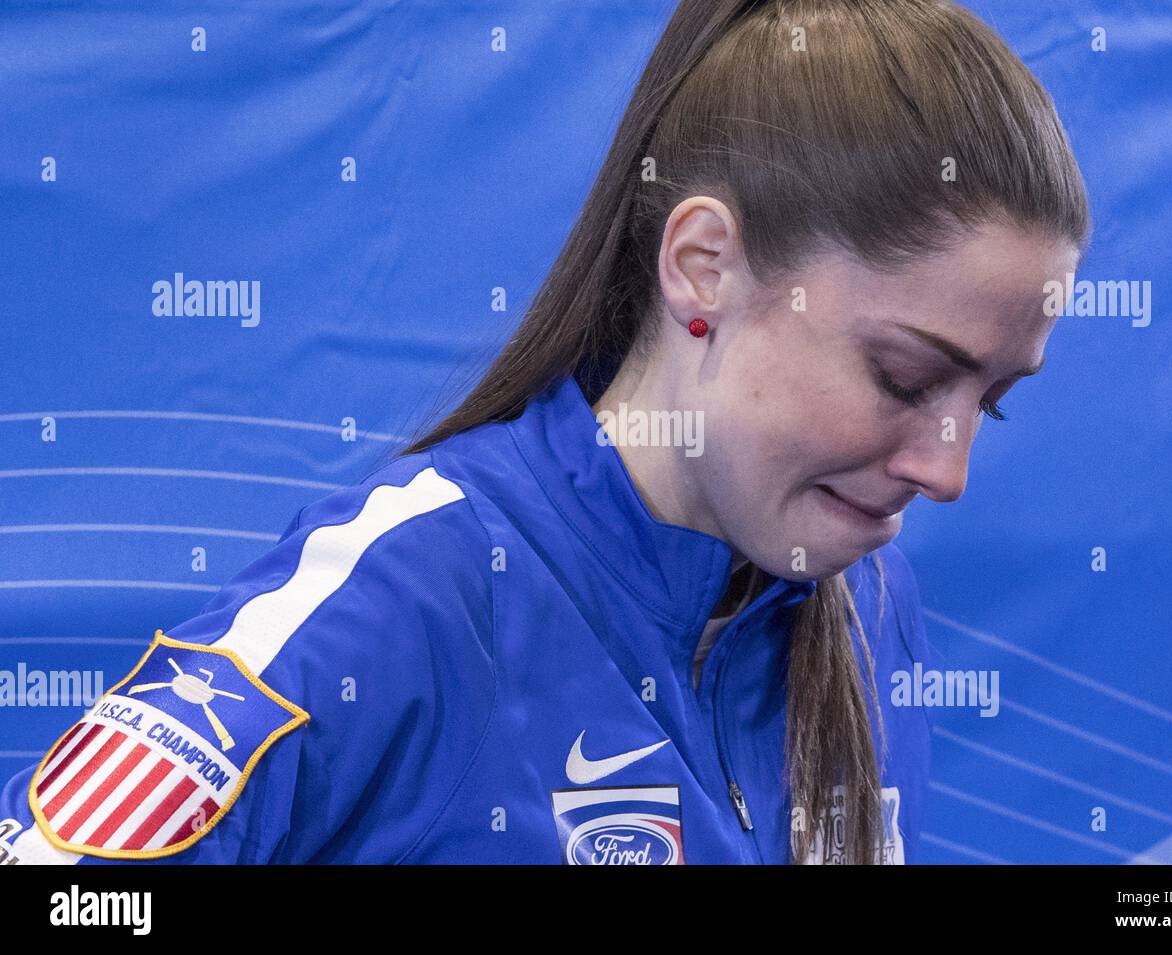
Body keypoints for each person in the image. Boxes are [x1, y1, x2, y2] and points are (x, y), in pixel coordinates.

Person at [0, 0, 1088, 865]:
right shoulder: (409, 597)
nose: (945, 469)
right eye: (903, 376)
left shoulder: (866, 608)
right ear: (703, 267)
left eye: (987, 400)